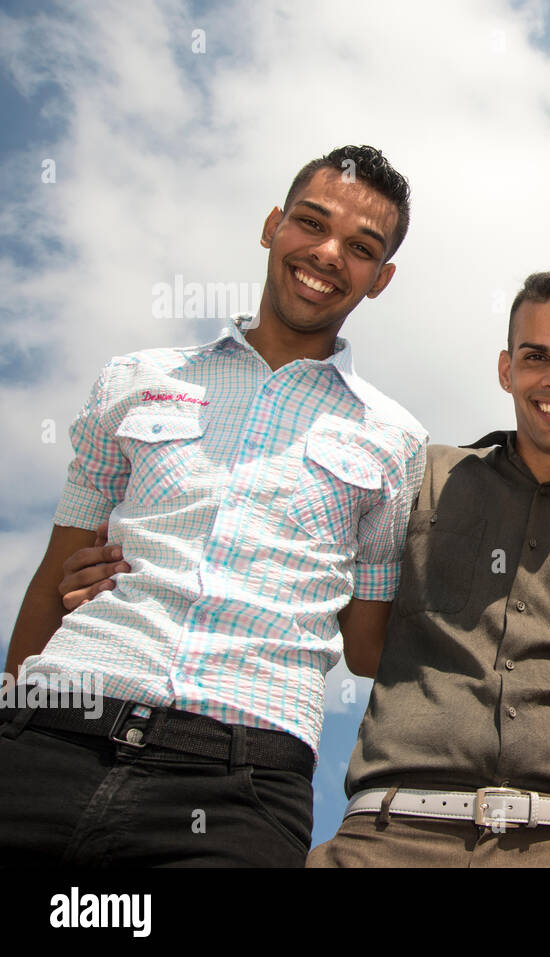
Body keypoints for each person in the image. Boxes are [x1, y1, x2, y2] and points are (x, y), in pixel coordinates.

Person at [1, 145, 428, 866]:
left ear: (380, 279)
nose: (326, 254)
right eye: (310, 223)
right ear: (272, 225)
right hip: (49, 739)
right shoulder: (136, 378)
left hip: (242, 785)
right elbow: (54, 578)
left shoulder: (398, 441)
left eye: (360, 248)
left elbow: (366, 642)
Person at [304, 270, 550, 867]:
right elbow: (362, 647)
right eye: (536, 356)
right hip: (384, 838)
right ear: (507, 369)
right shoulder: (420, 476)